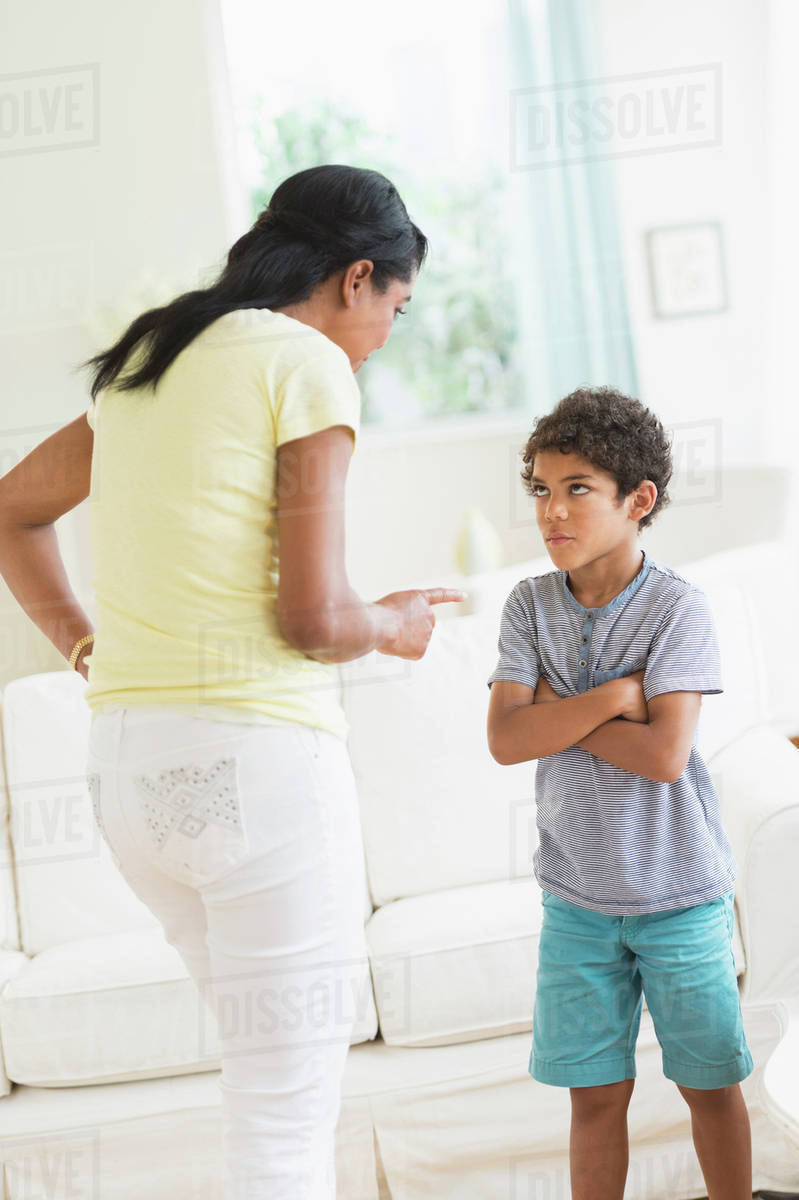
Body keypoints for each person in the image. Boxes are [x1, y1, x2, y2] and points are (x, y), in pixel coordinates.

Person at [0, 164, 465, 1199]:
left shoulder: (148, 363)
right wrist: (394, 622)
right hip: (255, 770)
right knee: (285, 1125)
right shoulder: (305, 364)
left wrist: (87, 653)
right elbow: (314, 620)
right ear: (356, 278)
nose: (389, 329)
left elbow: (10, 510)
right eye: (396, 302)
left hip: (129, 781)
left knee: (268, 1100)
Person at [486, 386, 752, 1199]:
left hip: (681, 897)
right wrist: (608, 698)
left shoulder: (676, 607)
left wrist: (553, 716)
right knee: (594, 1096)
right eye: (539, 487)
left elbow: (665, 754)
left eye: (575, 489)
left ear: (637, 500)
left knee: (708, 1083)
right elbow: (504, 740)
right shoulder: (528, 606)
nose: (550, 511)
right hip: (577, 902)